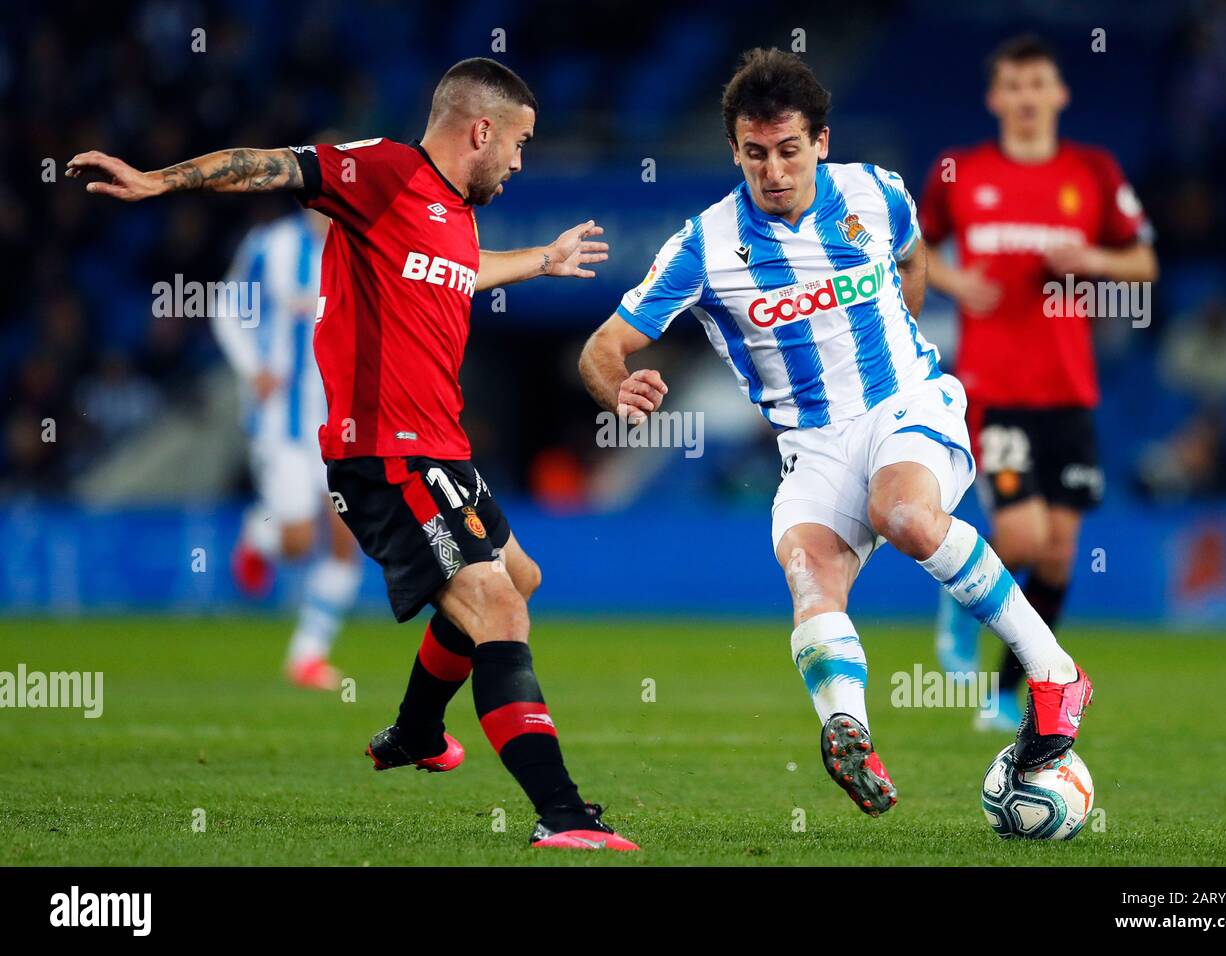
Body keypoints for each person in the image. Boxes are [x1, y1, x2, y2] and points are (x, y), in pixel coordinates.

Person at [69, 57, 637, 851]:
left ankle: (414, 732)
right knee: (498, 610)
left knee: (521, 580)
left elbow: (457, 274)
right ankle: (564, 815)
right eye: (520, 142)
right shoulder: (383, 172)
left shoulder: (453, 211)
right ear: (481, 129)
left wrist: (540, 260)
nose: (519, 160)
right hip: (385, 454)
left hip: (444, 450)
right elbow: (273, 167)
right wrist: (159, 182)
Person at [579, 48, 1092, 818]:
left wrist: (900, 352)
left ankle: (1055, 673)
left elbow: (915, 261)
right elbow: (602, 346)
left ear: (821, 141)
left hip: (906, 405)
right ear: (735, 151)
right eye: (755, 155)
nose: (773, 171)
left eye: (789, 150)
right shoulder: (704, 245)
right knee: (810, 575)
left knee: (908, 516)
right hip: (810, 446)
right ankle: (848, 730)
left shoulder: (875, 191)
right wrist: (618, 387)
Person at [918, 35, 1157, 730]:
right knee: (1019, 541)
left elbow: (1144, 264)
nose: (1026, 98)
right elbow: (912, 248)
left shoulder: (1093, 171)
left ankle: (1004, 693)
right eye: (1013, 86)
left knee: (1058, 554)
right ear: (995, 98)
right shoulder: (959, 171)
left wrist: (1090, 258)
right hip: (994, 388)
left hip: (1069, 390)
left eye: (1038, 85)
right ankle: (958, 602)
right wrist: (958, 279)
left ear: (1059, 94)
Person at [212, 197, 361, 691]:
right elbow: (226, 305)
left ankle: (308, 657)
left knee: (345, 539)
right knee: (298, 543)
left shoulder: (363, 249)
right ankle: (259, 535)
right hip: (283, 422)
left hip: (342, 423)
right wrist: (253, 369)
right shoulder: (270, 245)